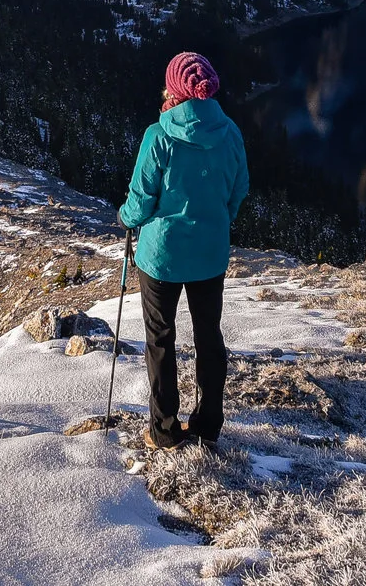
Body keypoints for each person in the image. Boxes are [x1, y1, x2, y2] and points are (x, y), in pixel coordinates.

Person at [116, 49, 249, 451]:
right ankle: (208, 424)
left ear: (174, 90)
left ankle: (165, 429)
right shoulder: (229, 132)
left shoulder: (159, 136)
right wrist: (217, 219)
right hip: (210, 255)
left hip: (162, 258)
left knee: (161, 339)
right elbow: (238, 189)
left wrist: (125, 218)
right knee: (208, 336)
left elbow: (140, 201)